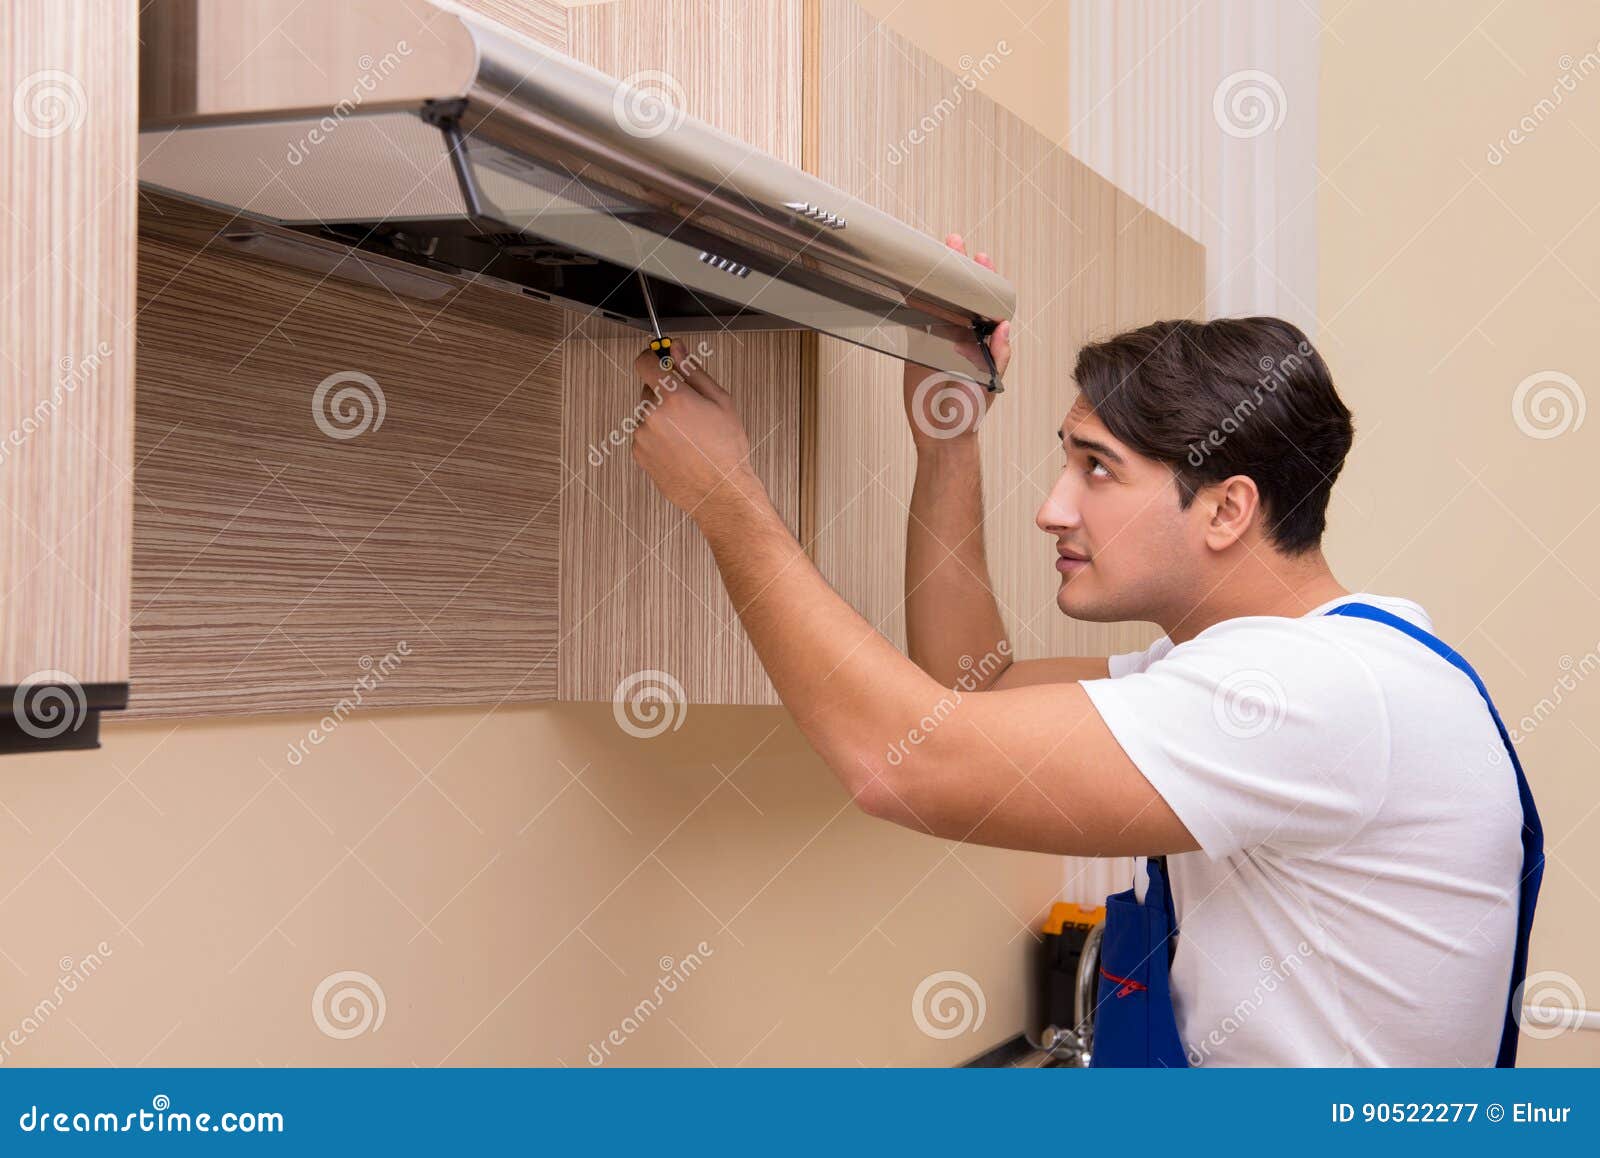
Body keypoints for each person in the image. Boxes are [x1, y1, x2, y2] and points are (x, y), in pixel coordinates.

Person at [627, 235, 1540, 1067]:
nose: (1053, 507)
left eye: (1097, 468)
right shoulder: (1303, 663)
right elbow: (968, 689)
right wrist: (948, 441)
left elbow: (901, 763)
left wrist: (728, 502)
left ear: (1227, 509)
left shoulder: (1304, 694)